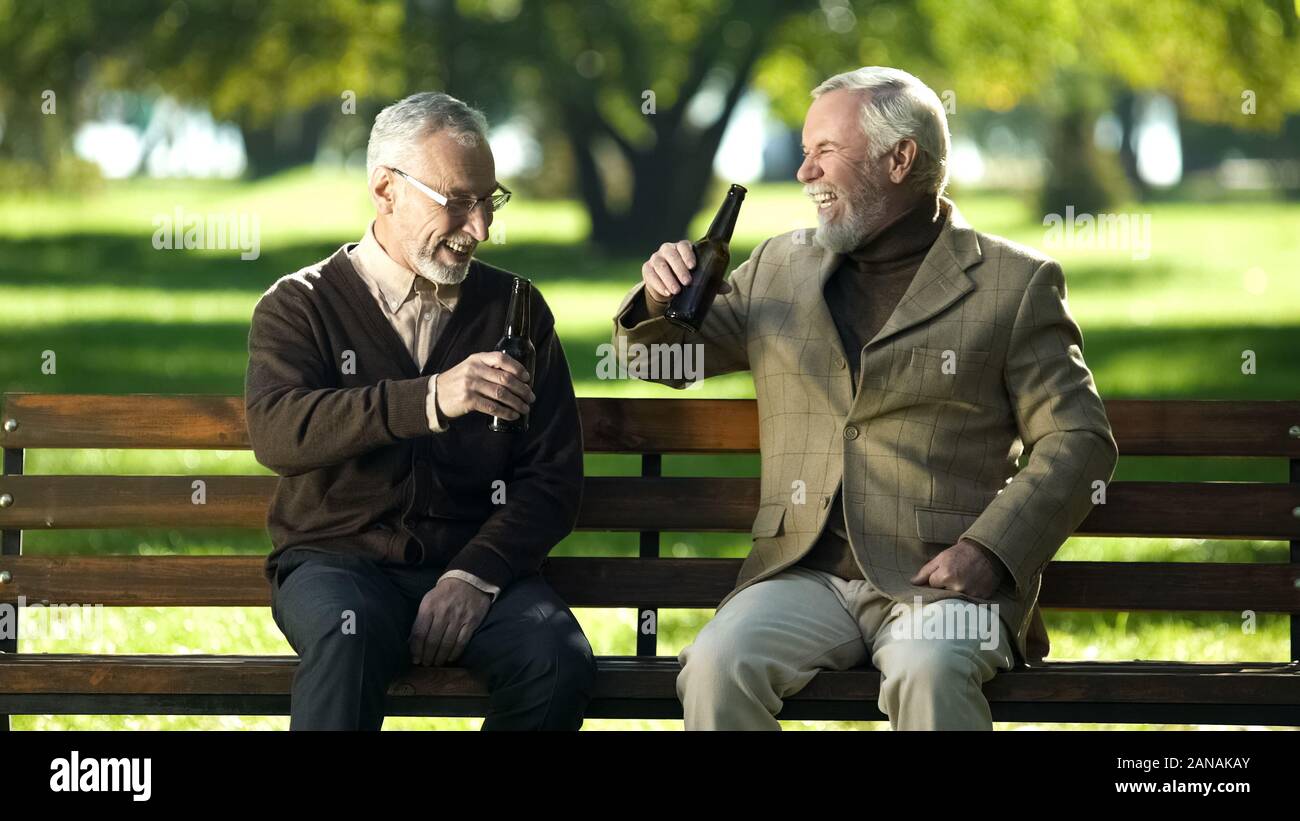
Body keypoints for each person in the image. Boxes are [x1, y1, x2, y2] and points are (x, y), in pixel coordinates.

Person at [612, 67, 1118, 730]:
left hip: (940, 584)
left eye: (824, 152)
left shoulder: (1012, 283)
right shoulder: (778, 267)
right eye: (803, 152)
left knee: (929, 670)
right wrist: (657, 298)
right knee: (715, 666)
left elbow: (1078, 439)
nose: (803, 174)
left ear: (899, 158)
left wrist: (989, 551)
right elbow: (656, 358)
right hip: (802, 577)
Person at [245, 91, 595, 730]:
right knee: (346, 645)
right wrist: (431, 399)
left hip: (480, 567)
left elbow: (553, 478)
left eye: (490, 201)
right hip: (336, 562)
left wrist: (475, 575)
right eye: (458, 202)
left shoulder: (517, 308)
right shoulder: (300, 305)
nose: (481, 228)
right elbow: (278, 432)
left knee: (557, 660)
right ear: (385, 190)